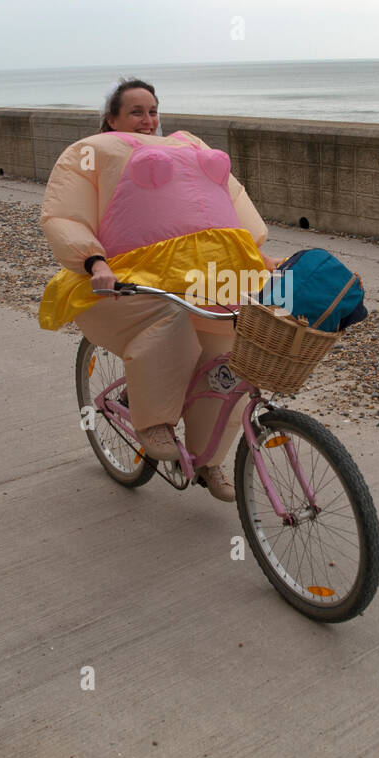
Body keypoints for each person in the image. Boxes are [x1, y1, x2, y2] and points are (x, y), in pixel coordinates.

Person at [38, 78, 279, 501]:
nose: (148, 120)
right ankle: (153, 420)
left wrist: (255, 256)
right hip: (119, 281)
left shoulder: (187, 149)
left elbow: (231, 202)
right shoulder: (90, 153)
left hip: (198, 277)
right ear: (112, 118)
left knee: (228, 351)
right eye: (136, 111)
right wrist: (93, 260)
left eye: (153, 110)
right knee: (168, 320)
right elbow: (63, 212)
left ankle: (209, 459)